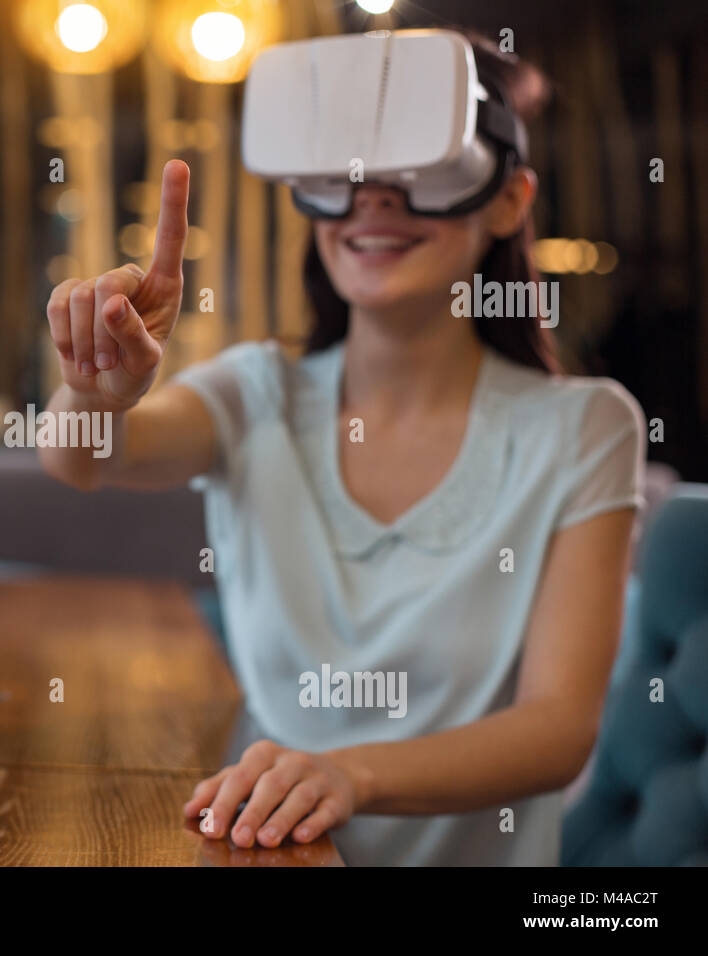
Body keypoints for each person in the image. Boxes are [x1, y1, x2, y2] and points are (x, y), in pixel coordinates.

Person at [37, 38, 645, 865]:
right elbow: (82, 460)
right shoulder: (257, 394)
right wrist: (93, 393)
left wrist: (349, 773)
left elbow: (558, 731)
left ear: (507, 201)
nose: (375, 201)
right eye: (347, 173)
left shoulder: (586, 430)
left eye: (423, 165)